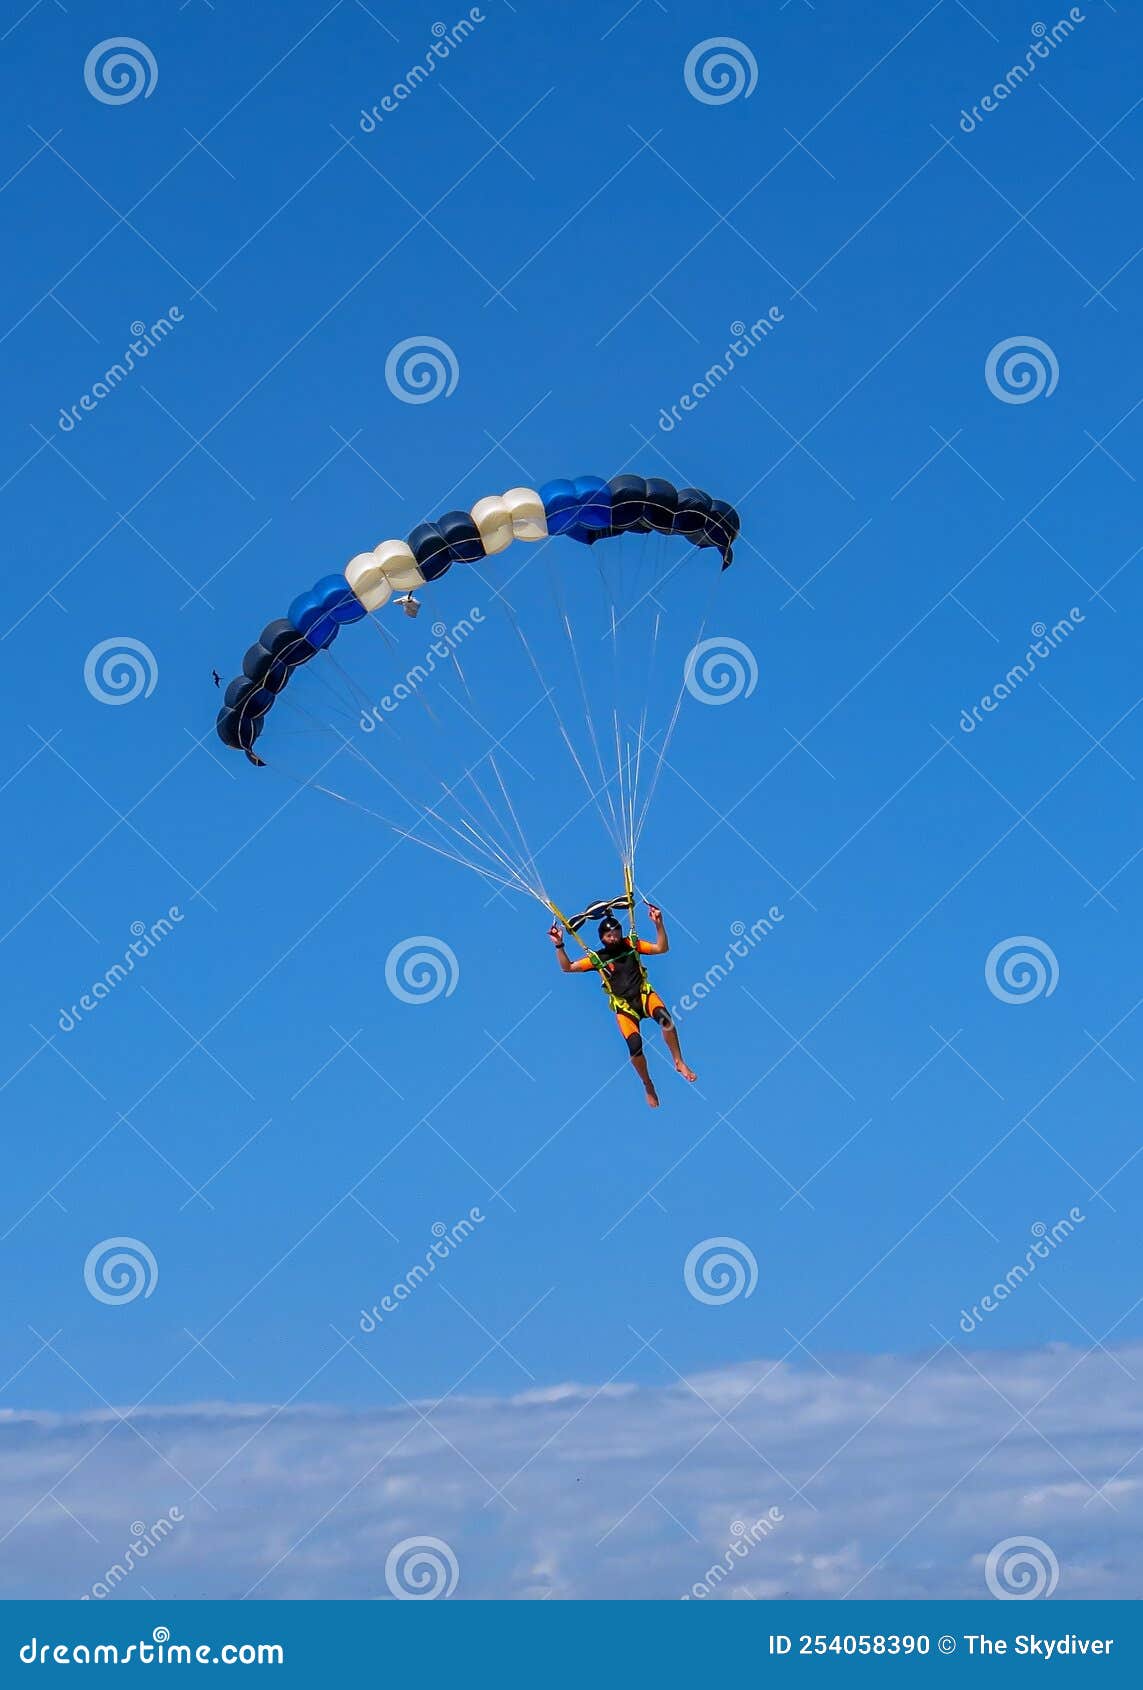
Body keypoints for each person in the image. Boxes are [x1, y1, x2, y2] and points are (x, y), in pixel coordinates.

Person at [548, 904, 696, 1107]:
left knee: (666, 1020)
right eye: (609, 936)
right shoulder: (598, 958)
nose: (614, 938)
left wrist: (659, 924)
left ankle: (679, 1061)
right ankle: (647, 1083)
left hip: (644, 996)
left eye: (616, 933)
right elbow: (567, 967)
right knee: (635, 1047)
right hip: (625, 1008)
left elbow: (662, 948)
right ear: (602, 938)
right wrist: (559, 945)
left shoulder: (631, 944)